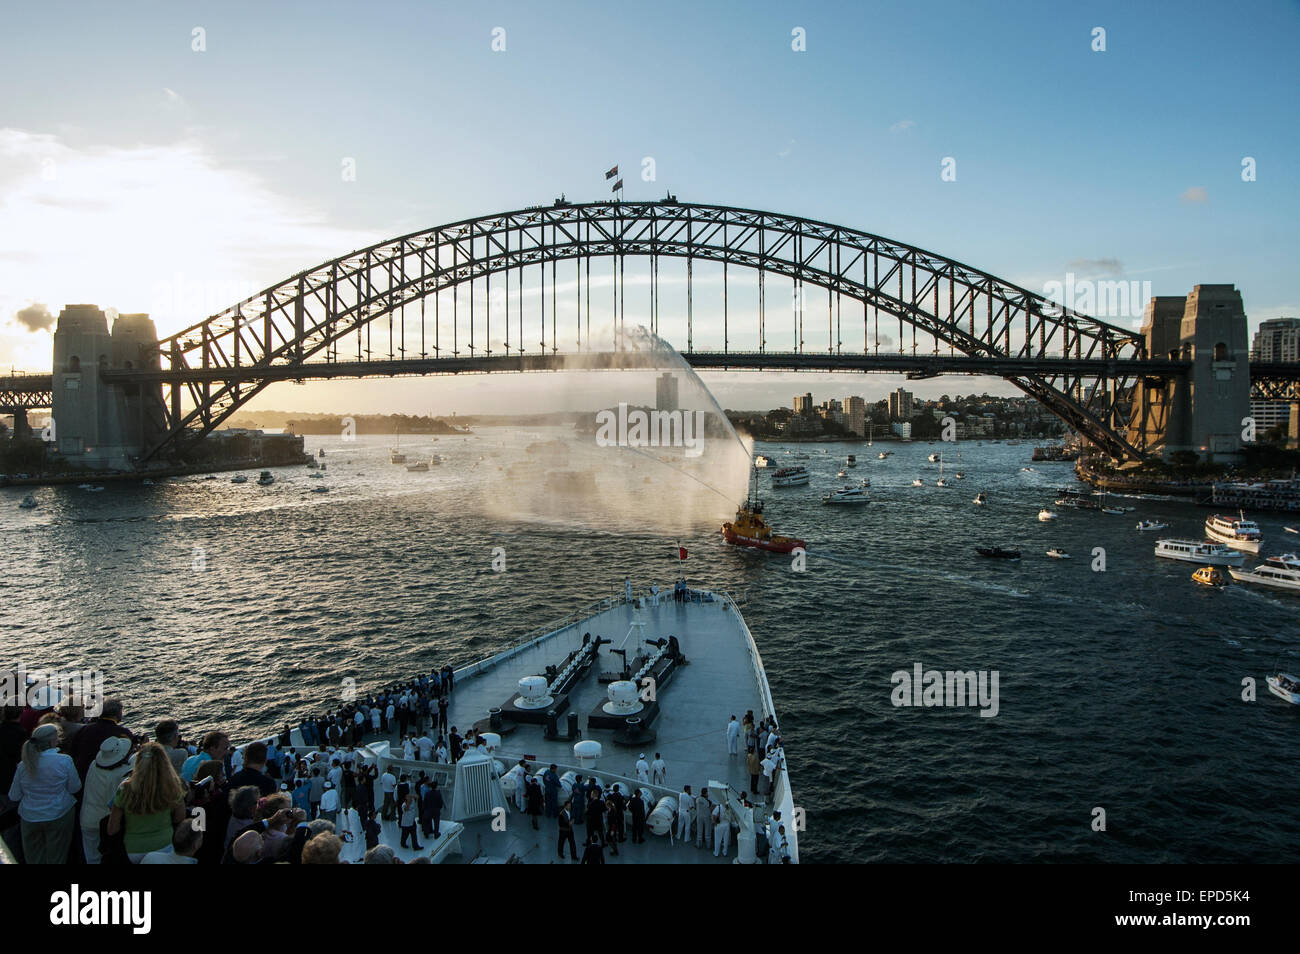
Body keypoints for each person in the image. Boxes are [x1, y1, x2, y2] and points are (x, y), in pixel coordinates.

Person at [7, 723, 80, 864]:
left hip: (29, 817)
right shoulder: (64, 761)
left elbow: (14, 796)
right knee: (56, 857)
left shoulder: (24, 765)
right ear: (52, 741)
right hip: (58, 814)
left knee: (33, 859)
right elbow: (74, 788)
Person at [108, 742, 186, 863]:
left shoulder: (124, 789)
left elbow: (112, 829)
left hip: (134, 850)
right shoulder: (172, 786)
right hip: (164, 846)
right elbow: (179, 817)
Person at [81, 736, 133, 864]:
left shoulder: (93, 765)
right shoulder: (121, 773)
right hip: (106, 820)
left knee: (92, 858)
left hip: (87, 817)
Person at [70, 699, 132, 782]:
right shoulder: (122, 733)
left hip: (81, 775)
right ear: (117, 714)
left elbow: (73, 751)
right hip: (105, 777)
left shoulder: (84, 729)